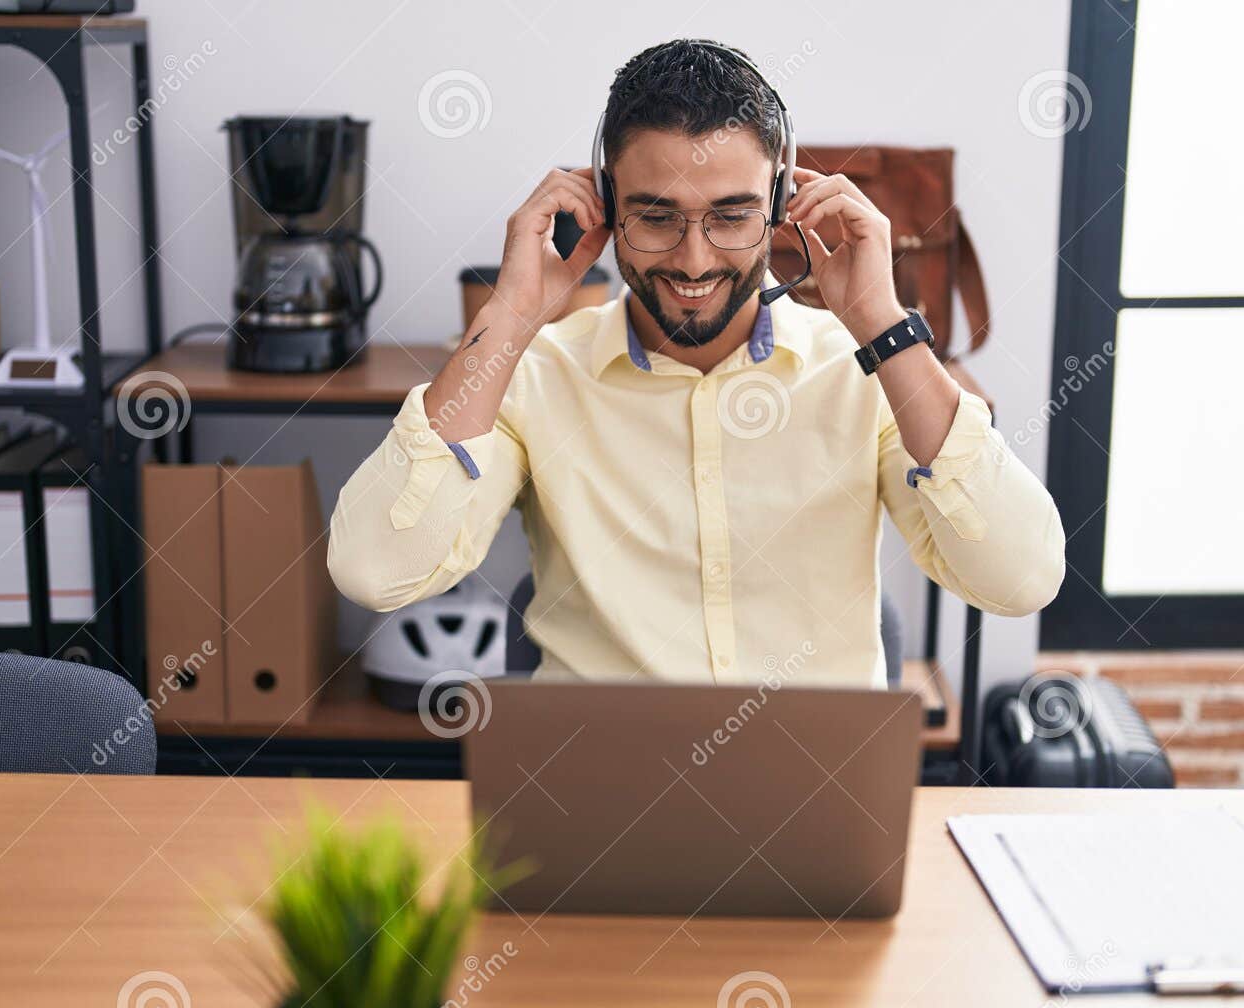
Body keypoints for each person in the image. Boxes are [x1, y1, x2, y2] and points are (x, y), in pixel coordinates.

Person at [329, 39, 1065, 686]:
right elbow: (374, 569)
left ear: (780, 202)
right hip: (601, 816)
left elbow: (1021, 577)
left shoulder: (859, 370)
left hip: (815, 813)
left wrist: (882, 322)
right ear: (606, 205)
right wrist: (513, 315)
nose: (694, 258)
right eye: (655, 216)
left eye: (731, 214)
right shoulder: (535, 376)